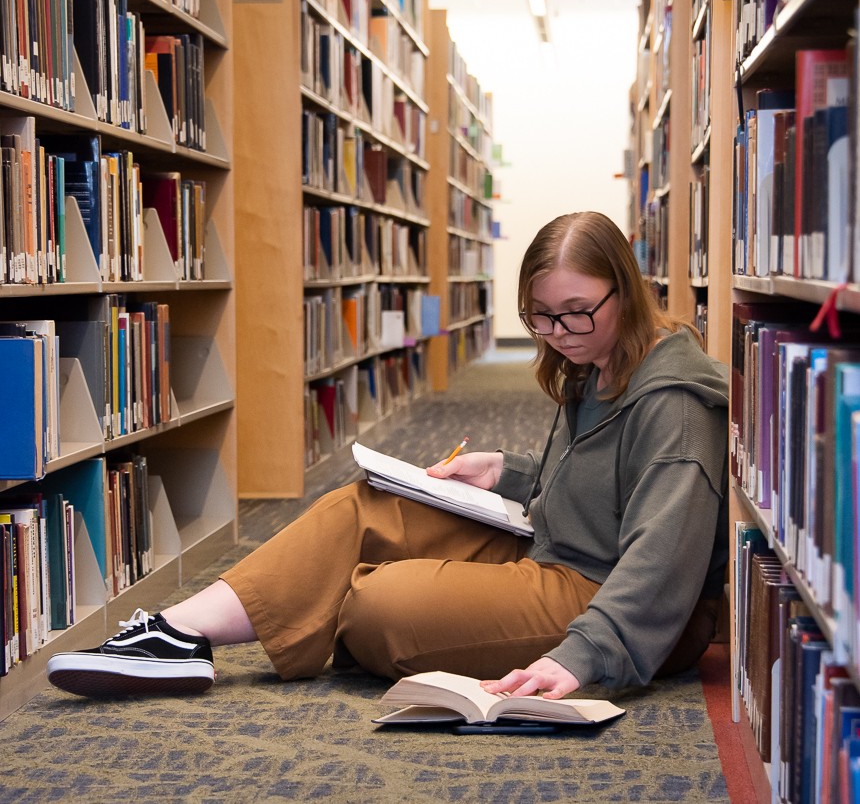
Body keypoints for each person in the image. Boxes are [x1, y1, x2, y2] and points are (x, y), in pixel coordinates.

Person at [47, 211, 729, 701]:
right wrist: (508, 471)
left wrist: (583, 656)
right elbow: (599, 475)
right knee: (366, 505)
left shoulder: (675, 402)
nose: (557, 333)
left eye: (577, 311)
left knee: (378, 602)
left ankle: (326, 604)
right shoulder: (597, 359)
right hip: (550, 545)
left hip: (606, 597)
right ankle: (174, 635)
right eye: (540, 317)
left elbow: (661, 560)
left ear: (627, 291)